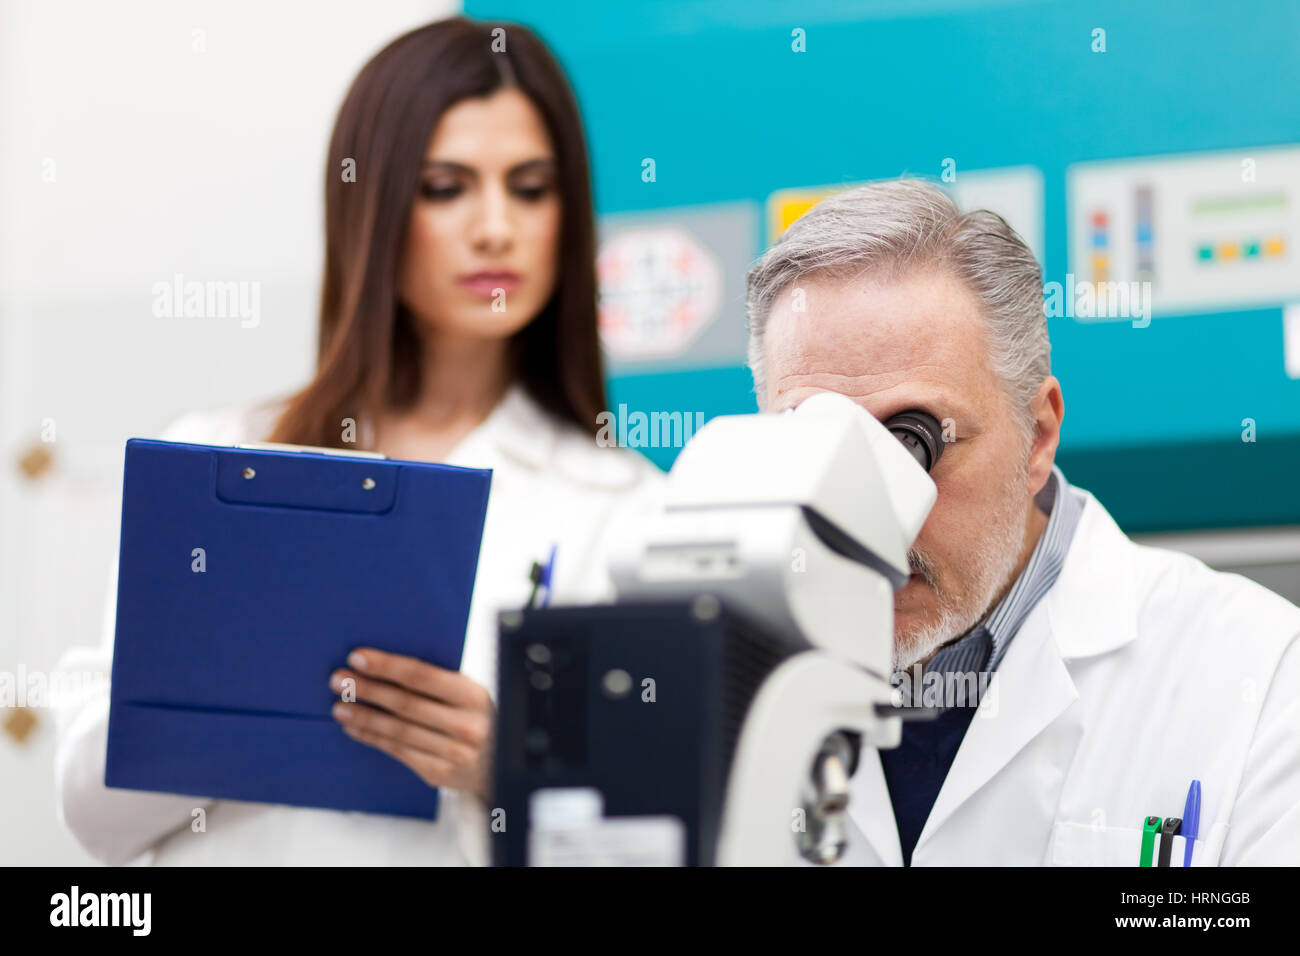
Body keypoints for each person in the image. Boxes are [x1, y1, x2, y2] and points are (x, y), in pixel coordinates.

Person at [53, 17, 662, 866]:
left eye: (530, 187)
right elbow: (90, 815)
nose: (495, 228)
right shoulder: (217, 456)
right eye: (446, 186)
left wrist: (503, 764)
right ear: (369, 203)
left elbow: (651, 835)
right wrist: (228, 707)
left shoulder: (629, 507)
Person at [745, 178, 1300, 866]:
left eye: (910, 444)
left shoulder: (1260, 679)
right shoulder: (710, 681)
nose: (866, 517)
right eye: (818, 442)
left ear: (1036, 435)